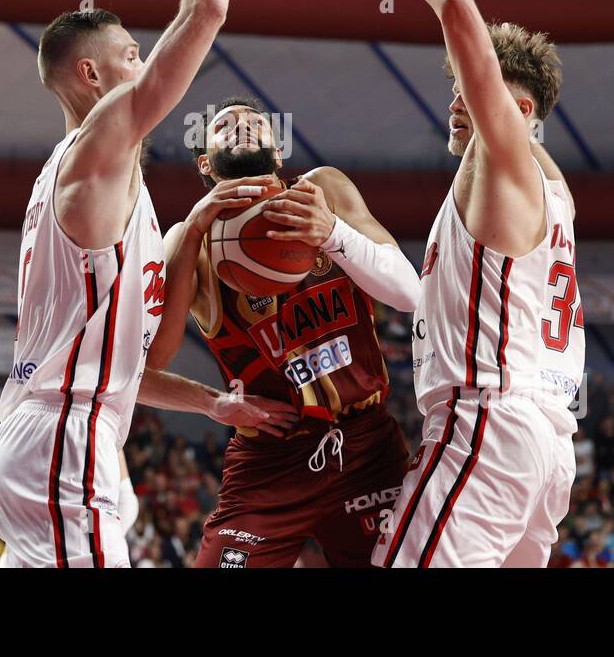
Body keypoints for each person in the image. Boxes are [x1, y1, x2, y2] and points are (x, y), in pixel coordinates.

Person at [0, 0, 270, 569]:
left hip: (45, 442)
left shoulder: (88, 179)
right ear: (92, 77)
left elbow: (120, 371)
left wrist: (209, 403)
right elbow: (206, 12)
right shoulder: (99, 145)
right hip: (62, 446)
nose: (145, 68)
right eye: (132, 55)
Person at [363, 0, 586, 568]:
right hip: (545, 447)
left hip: (487, 423)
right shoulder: (554, 193)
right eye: (456, 90)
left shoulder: (508, 156)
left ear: (520, 112)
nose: (457, 100)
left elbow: (457, 10)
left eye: (472, 88)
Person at [142, 97, 419, 567]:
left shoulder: (324, 191)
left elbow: (409, 293)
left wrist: (332, 233)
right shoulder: (190, 241)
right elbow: (147, 367)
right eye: (226, 123)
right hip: (270, 457)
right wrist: (211, 403)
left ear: (278, 153)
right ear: (206, 162)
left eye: (256, 121)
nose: (243, 125)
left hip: (365, 445)